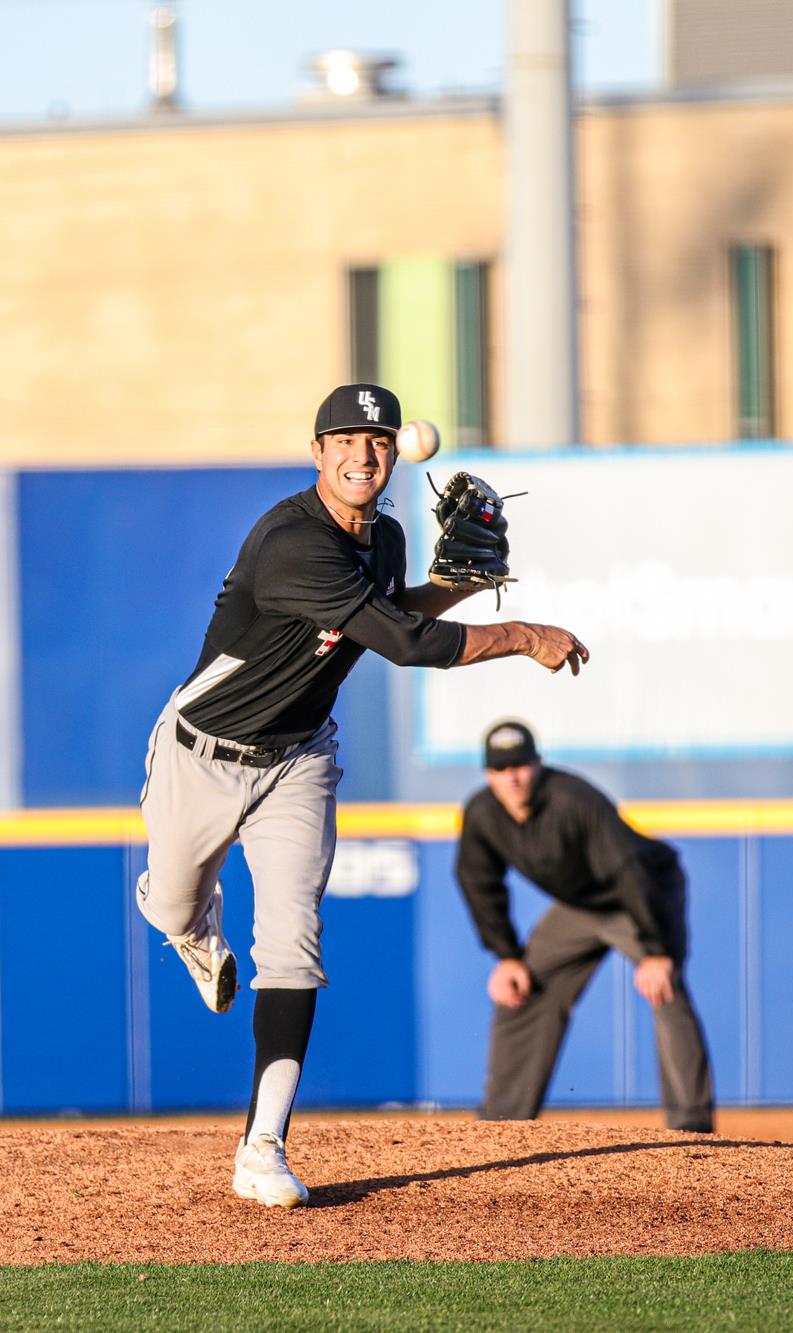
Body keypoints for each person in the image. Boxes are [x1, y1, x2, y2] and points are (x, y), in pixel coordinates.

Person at [136, 382, 590, 1208]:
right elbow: (408, 644)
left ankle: (262, 1145)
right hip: (200, 753)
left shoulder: (381, 537)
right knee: (170, 907)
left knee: (293, 942)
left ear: (391, 455)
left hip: (297, 759)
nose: (363, 454)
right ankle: (190, 927)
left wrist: (454, 578)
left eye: (377, 442)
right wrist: (524, 633)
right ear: (318, 453)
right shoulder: (291, 542)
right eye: (345, 440)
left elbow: (387, 614)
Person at [455, 719, 715, 1132]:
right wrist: (505, 955)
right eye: (502, 769)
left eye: (521, 765)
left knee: (664, 987)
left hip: (642, 895)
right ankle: (501, 1127)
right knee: (522, 986)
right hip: (580, 905)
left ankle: (691, 1127)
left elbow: (627, 870)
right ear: (488, 774)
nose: (513, 777)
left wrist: (656, 951)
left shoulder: (573, 798)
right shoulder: (483, 813)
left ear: (538, 764)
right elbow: (477, 881)